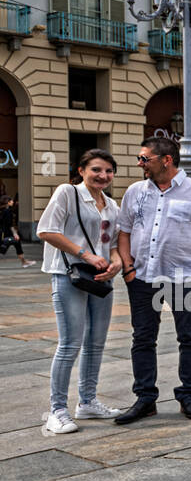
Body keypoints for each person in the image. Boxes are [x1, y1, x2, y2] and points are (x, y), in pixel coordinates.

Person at [114, 135, 191, 424]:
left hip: (183, 277)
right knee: (143, 337)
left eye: (144, 159)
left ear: (167, 160)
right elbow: (123, 231)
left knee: (188, 336)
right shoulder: (135, 191)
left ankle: (188, 395)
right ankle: (145, 398)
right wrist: (128, 268)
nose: (140, 164)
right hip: (142, 278)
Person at [35, 148, 124, 433]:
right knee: (70, 343)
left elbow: (111, 245)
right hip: (69, 275)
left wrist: (117, 263)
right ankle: (57, 410)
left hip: (101, 277)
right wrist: (85, 255)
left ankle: (87, 402)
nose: (103, 175)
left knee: (96, 342)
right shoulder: (67, 193)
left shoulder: (111, 205)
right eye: (96, 169)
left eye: (109, 171)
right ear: (81, 170)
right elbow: (46, 231)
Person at [0, 194, 37, 267]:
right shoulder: (8, 211)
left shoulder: (3, 210)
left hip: (4, 232)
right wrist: (15, 233)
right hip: (6, 233)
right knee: (5, 247)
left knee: (16, 244)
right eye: (11, 201)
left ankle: (24, 262)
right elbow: (10, 225)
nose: (13, 201)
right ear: (7, 202)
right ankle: (24, 262)